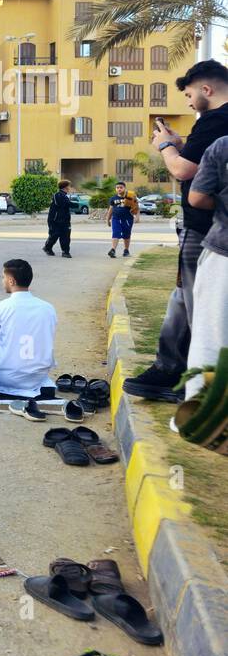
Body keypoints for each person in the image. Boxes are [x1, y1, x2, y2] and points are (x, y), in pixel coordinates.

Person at [126, 63, 228, 402]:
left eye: (189, 94)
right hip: (208, 230)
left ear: (207, 90)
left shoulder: (216, 120)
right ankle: (170, 370)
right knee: (185, 301)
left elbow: (186, 171)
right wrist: (182, 142)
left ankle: (182, 378)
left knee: (194, 305)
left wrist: (166, 145)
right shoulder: (215, 125)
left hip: (204, 230)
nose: (187, 102)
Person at [0, 259, 57, 398]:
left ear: (11, 281)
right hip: (36, 377)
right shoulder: (48, 308)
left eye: (3, 277)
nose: (2, 281)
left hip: (4, 377)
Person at [185, 134, 228, 401]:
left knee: (212, 337)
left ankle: (202, 414)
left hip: (223, 253)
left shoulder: (222, 146)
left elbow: (197, 197)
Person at [106, 180, 139, 258]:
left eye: (121, 187)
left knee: (126, 235)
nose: (119, 189)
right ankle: (113, 250)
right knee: (116, 233)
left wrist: (137, 217)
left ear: (125, 188)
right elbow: (111, 209)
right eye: (117, 188)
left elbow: (136, 207)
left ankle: (126, 250)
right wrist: (108, 219)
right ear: (115, 189)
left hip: (127, 219)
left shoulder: (130, 197)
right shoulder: (113, 198)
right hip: (116, 219)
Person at [45, 179, 74, 258]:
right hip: (55, 220)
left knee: (66, 236)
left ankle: (65, 252)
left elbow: (68, 204)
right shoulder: (57, 195)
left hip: (65, 221)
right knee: (54, 235)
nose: (70, 188)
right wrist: (72, 204)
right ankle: (47, 247)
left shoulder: (65, 196)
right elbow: (64, 204)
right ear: (65, 187)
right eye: (69, 186)